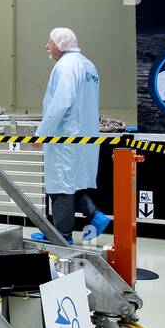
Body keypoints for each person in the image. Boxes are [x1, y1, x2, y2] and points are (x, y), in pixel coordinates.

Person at [36, 27, 111, 242]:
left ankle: (61, 236)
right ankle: (95, 215)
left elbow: (61, 103)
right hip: (85, 136)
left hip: (65, 136)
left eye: (50, 42)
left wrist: (41, 134)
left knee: (60, 185)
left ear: (60, 44)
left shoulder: (66, 66)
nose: (47, 46)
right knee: (73, 182)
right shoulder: (88, 65)